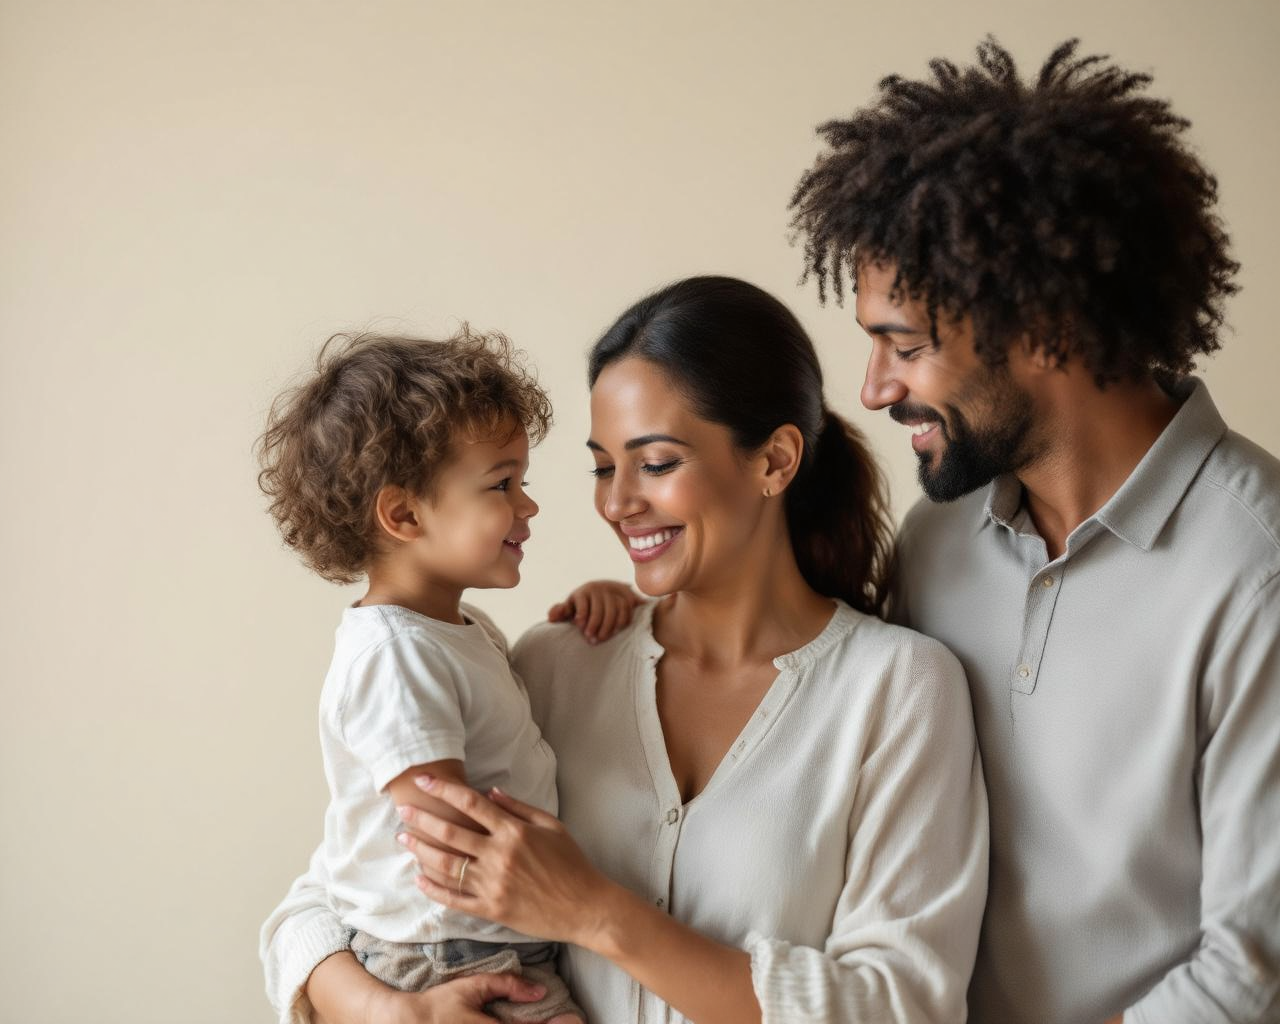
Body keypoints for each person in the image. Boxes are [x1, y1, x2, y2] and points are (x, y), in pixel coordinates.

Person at [261, 277, 989, 1024]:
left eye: (658, 463)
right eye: (604, 466)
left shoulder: (899, 689)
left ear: (774, 461)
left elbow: (906, 1007)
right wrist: (386, 1012)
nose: (615, 503)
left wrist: (596, 913)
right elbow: (330, 895)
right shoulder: (553, 663)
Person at [790, 36, 1280, 1024]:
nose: (874, 388)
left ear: (1045, 325)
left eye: (905, 346)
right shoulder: (938, 542)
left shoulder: (1255, 570)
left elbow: (1249, 972)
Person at [256, 329, 636, 1024]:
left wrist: (599, 602)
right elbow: (443, 827)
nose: (528, 506)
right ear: (403, 515)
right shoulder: (395, 655)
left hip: (487, 939)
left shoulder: (458, 632)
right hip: (446, 952)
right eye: (502, 484)